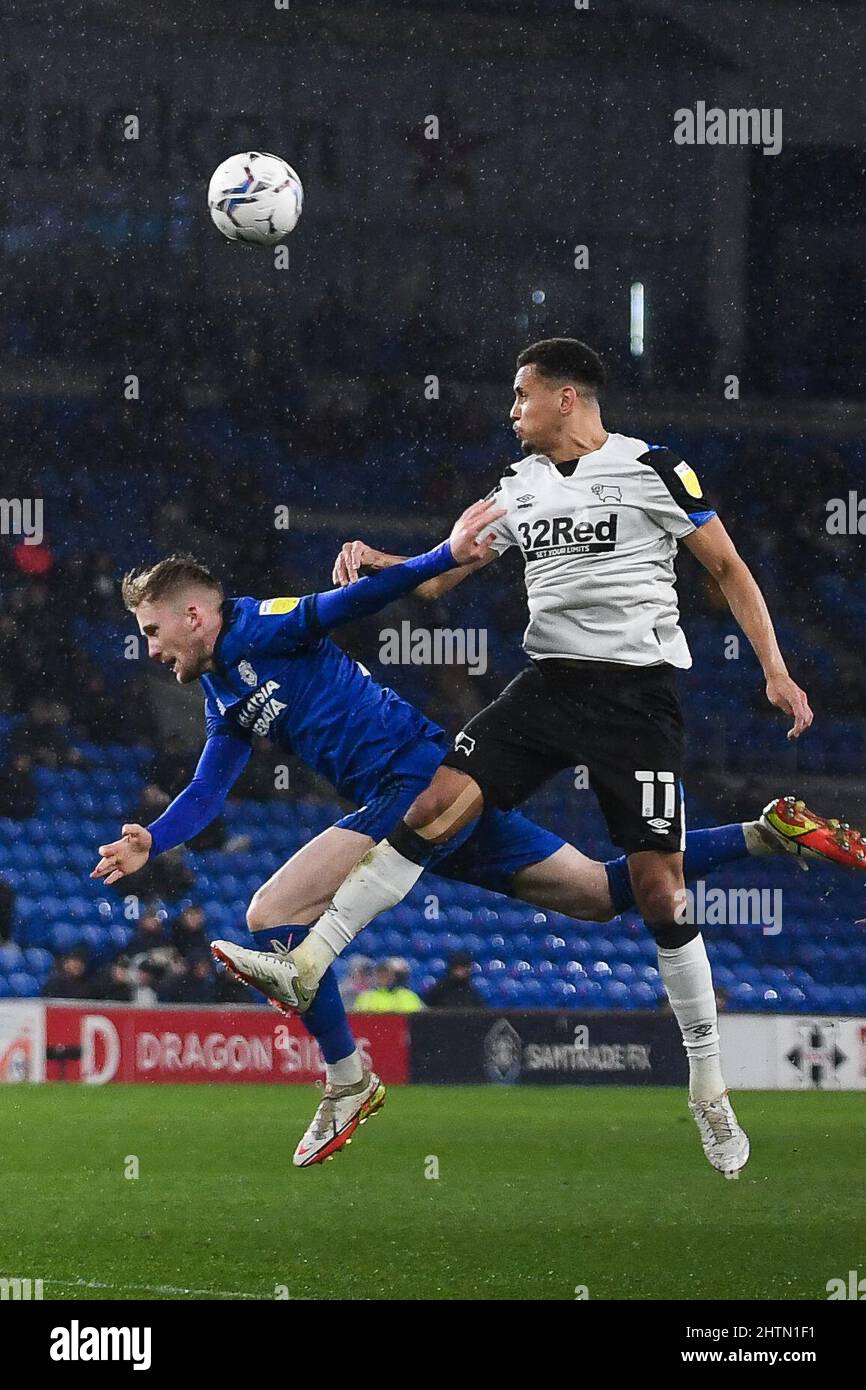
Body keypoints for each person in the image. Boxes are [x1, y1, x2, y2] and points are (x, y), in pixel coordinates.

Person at [226, 337, 824, 1178]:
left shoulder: (653, 466)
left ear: (568, 397)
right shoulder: (516, 490)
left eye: (522, 395)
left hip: (637, 697)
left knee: (656, 887)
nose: (511, 410)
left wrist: (774, 670)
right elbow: (441, 580)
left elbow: (727, 567)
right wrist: (382, 562)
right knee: (433, 803)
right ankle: (313, 956)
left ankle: (708, 1089)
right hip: (546, 687)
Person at [91, 519, 860, 1170]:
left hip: (418, 780)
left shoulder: (259, 622)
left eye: (153, 631)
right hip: (413, 801)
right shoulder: (227, 690)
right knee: (597, 894)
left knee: (271, 913)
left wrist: (446, 557)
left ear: (195, 614)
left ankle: (347, 1077)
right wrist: (151, 840)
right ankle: (767, 832)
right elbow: (207, 788)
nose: (150, 648)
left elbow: (353, 599)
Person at [353, 959, 424, 1014]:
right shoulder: (366, 997)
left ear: (394, 976)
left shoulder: (408, 996)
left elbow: (412, 1018)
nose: (383, 977)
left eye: (386, 974)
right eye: (380, 974)